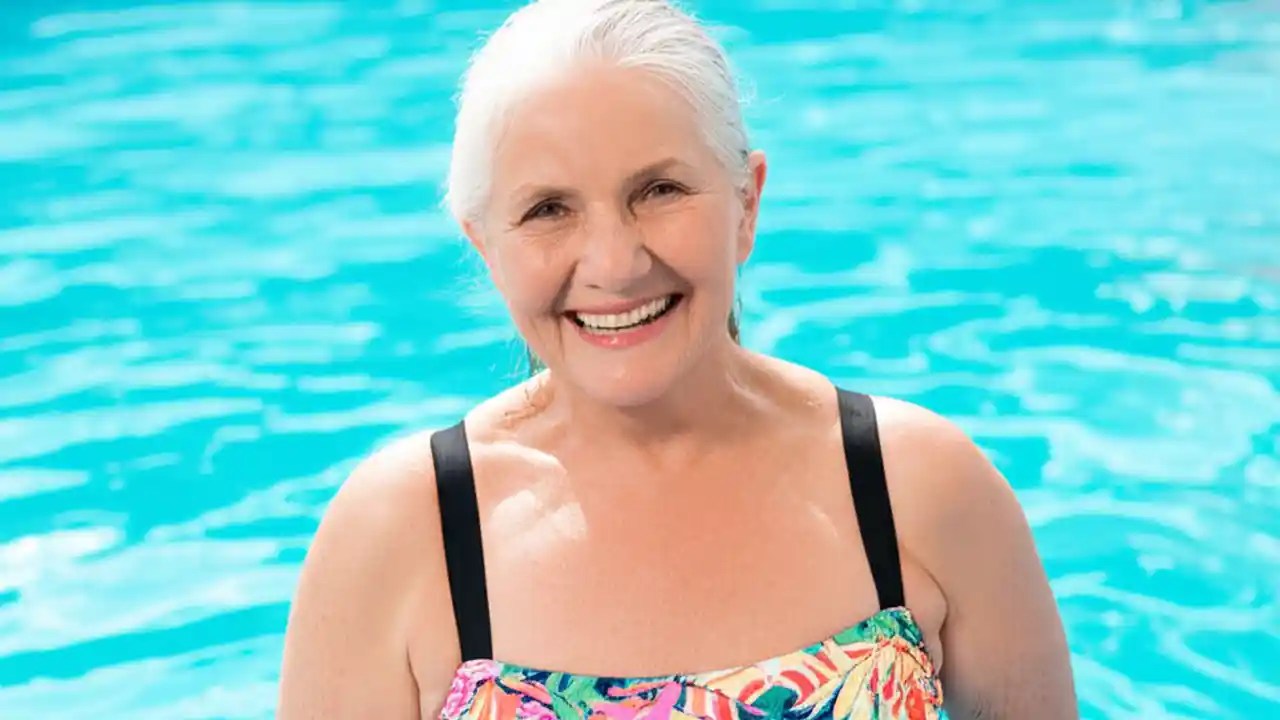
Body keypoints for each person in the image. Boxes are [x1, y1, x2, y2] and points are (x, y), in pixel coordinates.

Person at [277, 1, 1077, 717]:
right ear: (487, 247)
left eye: (658, 190)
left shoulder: (923, 490)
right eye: (548, 209)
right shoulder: (400, 535)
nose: (614, 263)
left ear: (746, 204)